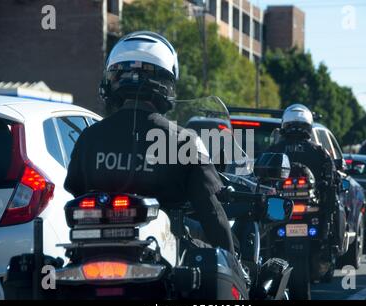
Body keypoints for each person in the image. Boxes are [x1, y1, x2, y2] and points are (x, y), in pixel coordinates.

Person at [64, 31, 235, 255]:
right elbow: (210, 213)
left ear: (113, 80)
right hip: (161, 264)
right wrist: (232, 261)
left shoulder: (88, 138)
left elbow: (75, 196)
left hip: (91, 260)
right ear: (167, 83)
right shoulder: (184, 141)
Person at [266, 104, 345, 251]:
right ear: (309, 125)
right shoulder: (319, 151)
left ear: (285, 124)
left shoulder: (274, 150)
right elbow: (333, 176)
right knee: (336, 205)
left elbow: (261, 176)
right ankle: (334, 244)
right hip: (312, 208)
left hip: (280, 208)